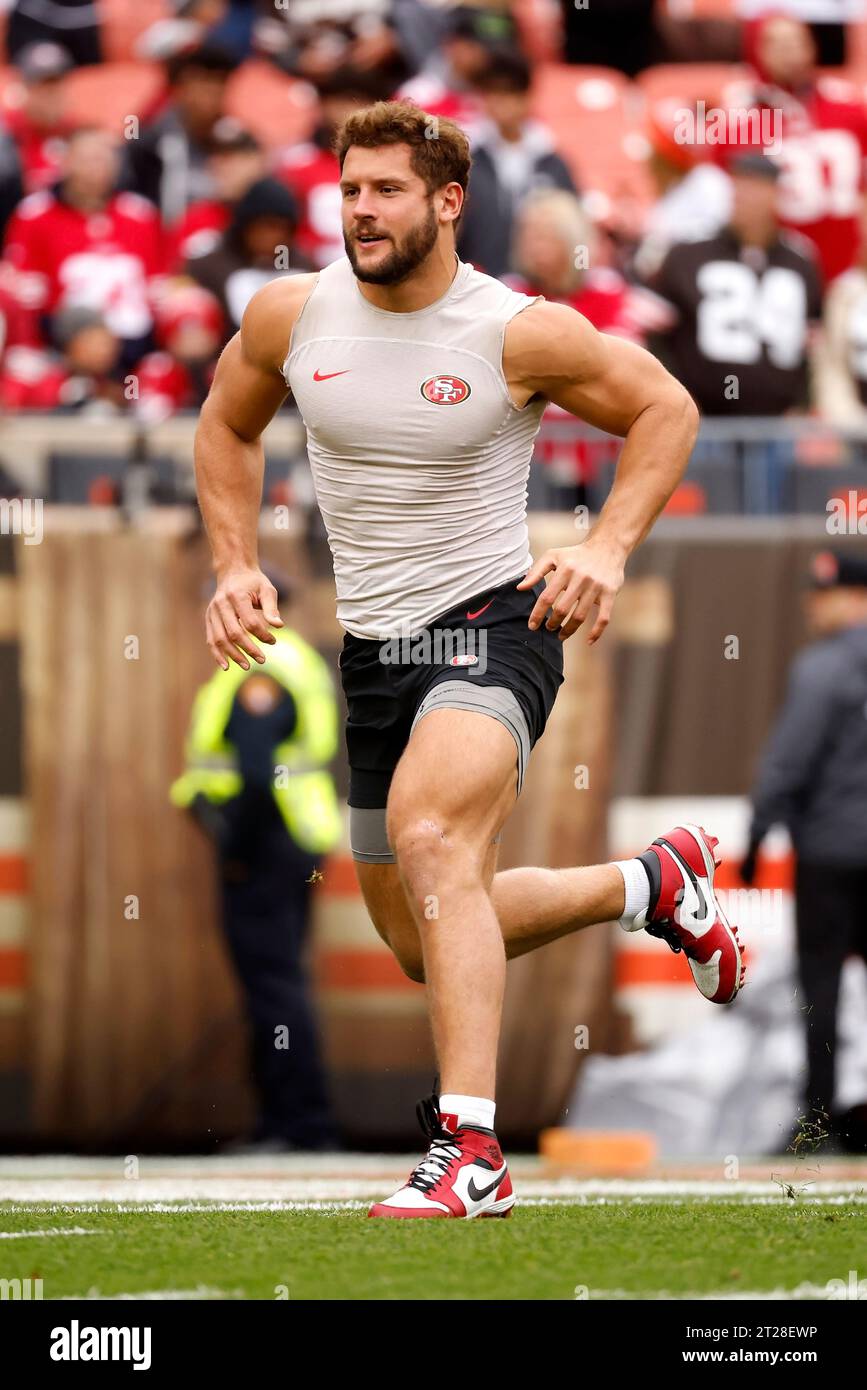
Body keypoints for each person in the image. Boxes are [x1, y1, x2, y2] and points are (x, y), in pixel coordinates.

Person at [193, 100, 745, 1220]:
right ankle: (653, 883)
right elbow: (224, 425)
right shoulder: (289, 316)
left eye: (387, 190)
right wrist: (232, 562)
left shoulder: (516, 331)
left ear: (448, 202)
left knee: (432, 835)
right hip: (375, 652)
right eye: (350, 189)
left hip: (495, 625)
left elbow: (668, 409)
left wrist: (604, 543)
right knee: (420, 932)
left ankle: (472, 1149)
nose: (361, 209)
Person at [171, 570, 342, 1151]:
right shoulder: (293, 659)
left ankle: (299, 1124)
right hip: (294, 844)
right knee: (280, 978)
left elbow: (254, 773)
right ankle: (289, 1121)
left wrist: (234, 847)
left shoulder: (258, 670)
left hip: (266, 846)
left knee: (272, 984)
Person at [742, 550, 867, 1152]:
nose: (816, 605)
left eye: (828, 594)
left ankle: (819, 1115)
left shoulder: (821, 668)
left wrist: (758, 830)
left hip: (830, 855)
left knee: (821, 986)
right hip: (838, 845)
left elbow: (789, 760)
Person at [644, 154, 823, 419]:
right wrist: (676, 394)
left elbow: (814, 346)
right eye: (738, 184)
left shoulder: (801, 261)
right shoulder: (689, 253)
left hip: (777, 424)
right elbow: (655, 331)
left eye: (754, 185)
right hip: (703, 421)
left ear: (776, 193)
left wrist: (802, 405)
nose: (742, 195)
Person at [2, 127, 165, 371]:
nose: (96, 168)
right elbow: (22, 288)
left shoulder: (140, 214)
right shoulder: (34, 215)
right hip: (63, 338)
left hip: (135, 338)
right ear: (66, 163)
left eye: (104, 159)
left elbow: (158, 283)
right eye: (87, 159)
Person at [456, 49, 576, 280]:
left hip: (539, 286)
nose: (501, 102)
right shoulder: (464, 158)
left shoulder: (552, 160)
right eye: (493, 92)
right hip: (475, 281)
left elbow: (570, 227)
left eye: (510, 93)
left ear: (527, 98)